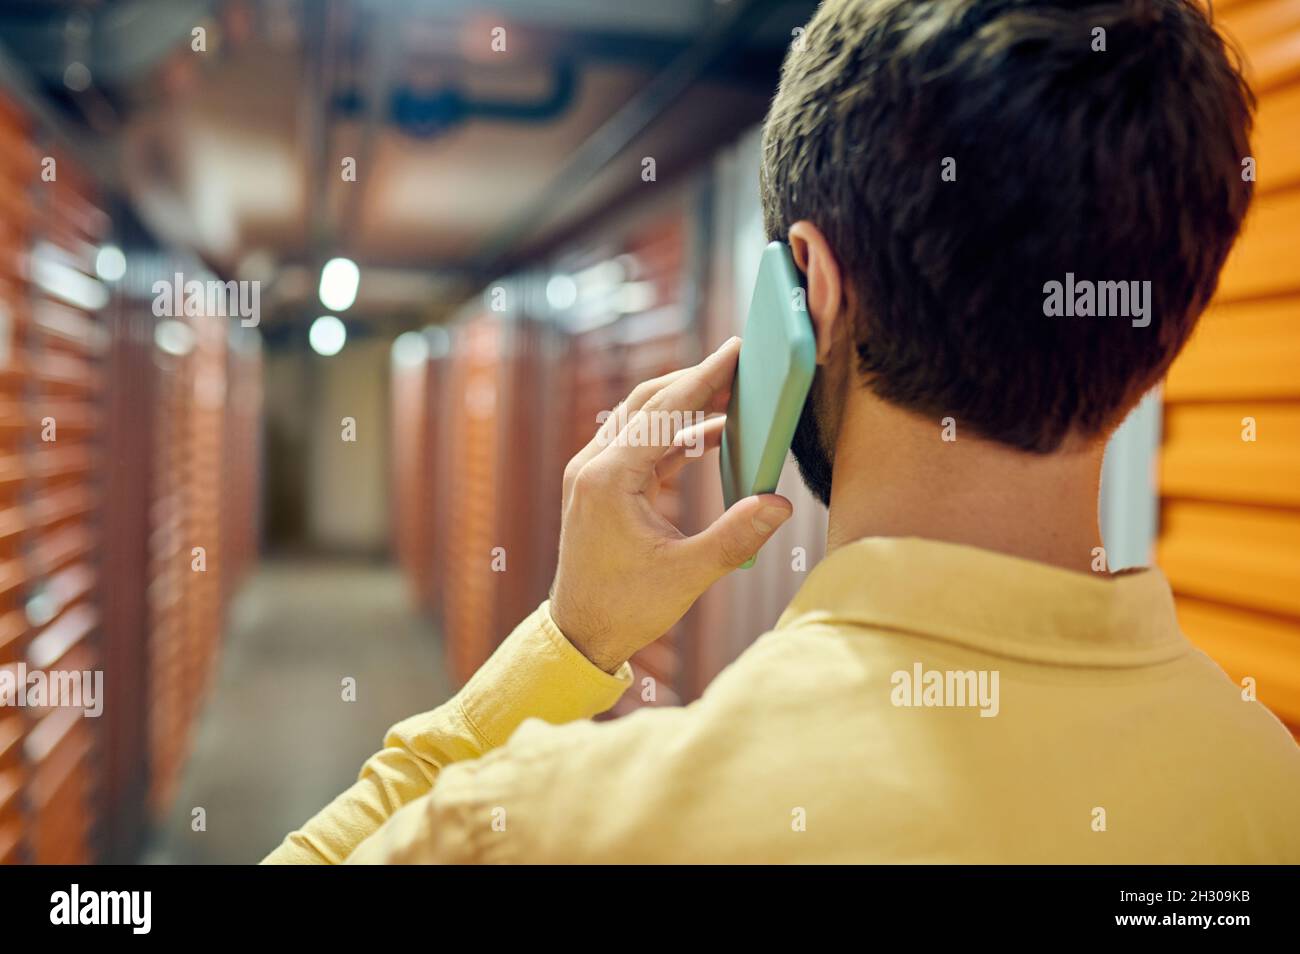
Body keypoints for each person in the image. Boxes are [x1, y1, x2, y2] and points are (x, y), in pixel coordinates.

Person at [265, 0, 1300, 864]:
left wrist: (569, 641)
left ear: (811, 284)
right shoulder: (1268, 793)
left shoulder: (558, 827)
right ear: (1161, 328)